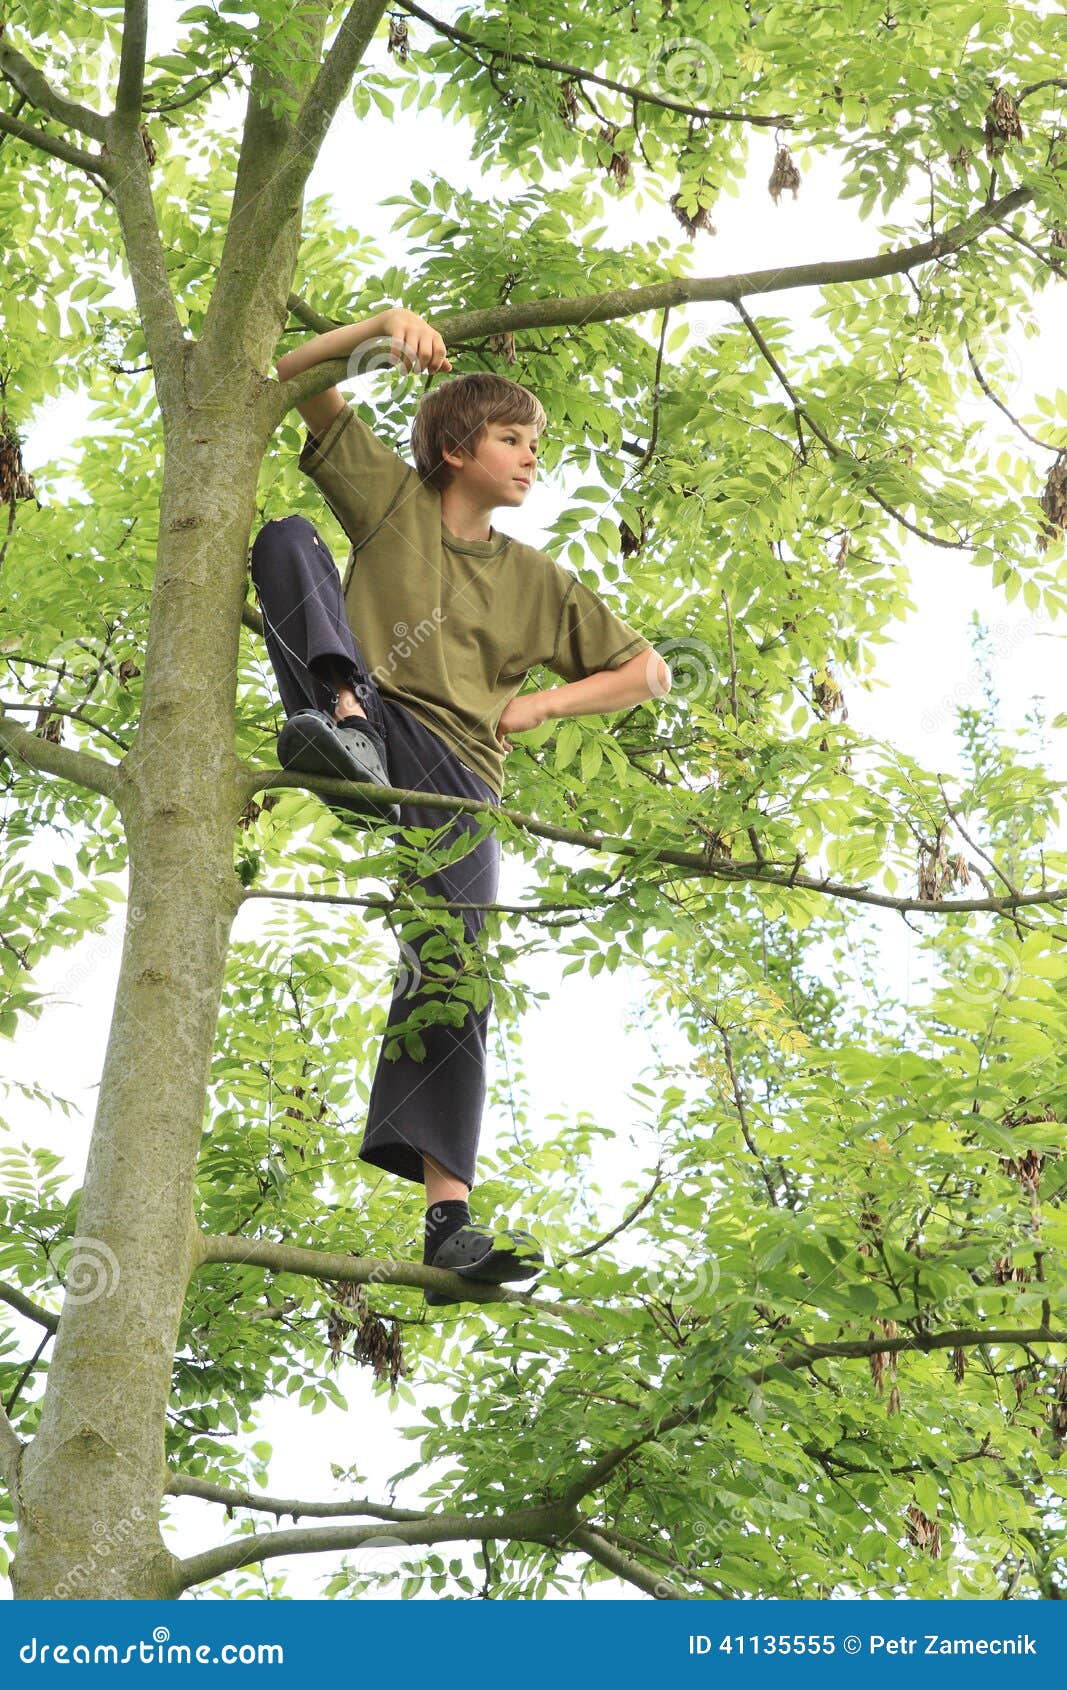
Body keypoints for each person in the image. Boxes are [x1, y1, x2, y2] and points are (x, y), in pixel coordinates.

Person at [251, 306, 671, 1305]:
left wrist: (538, 705)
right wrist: (375, 329)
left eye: (534, 443)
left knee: (454, 962)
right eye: (511, 439)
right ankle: (343, 723)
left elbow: (647, 671)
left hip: (459, 773)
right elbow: (290, 374)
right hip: (365, 706)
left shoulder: (537, 579)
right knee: (286, 537)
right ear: (455, 448)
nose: (530, 458)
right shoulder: (390, 498)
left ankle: (448, 1221)